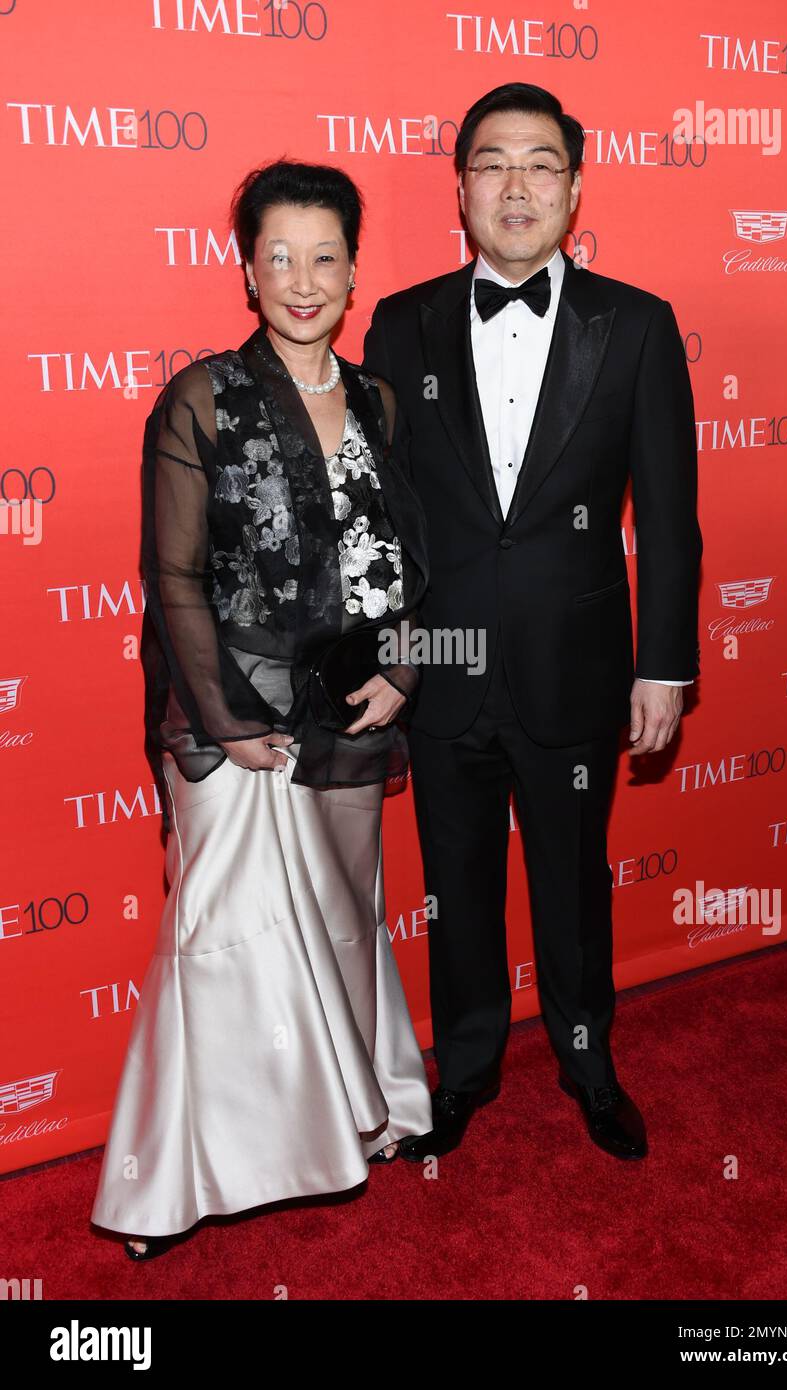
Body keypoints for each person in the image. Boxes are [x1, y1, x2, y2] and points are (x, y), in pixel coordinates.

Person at [90, 160, 432, 1259]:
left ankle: (350, 1111)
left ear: (351, 271)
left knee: (338, 919)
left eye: (323, 257)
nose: (301, 279)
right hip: (231, 717)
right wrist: (226, 718)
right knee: (222, 938)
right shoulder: (201, 397)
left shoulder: (379, 401)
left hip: (351, 714)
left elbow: (416, 564)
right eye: (277, 256)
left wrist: (409, 668)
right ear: (245, 268)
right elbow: (174, 575)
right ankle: (171, 1179)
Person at [363, 84, 703, 1163]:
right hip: (442, 666)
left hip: (578, 664)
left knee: (571, 878)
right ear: (459, 188)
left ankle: (588, 1061)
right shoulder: (399, 321)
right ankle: (462, 1071)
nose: (516, 186)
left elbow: (672, 515)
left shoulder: (637, 325)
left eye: (540, 163)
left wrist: (664, 668)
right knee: (453, 886)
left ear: (574, 185)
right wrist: (390, 658)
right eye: (492, 164)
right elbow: (378, 518)